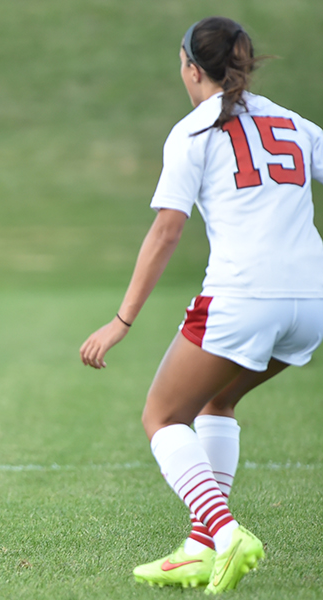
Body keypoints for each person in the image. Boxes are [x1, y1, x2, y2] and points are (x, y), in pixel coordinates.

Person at [79, 16, 323, 594]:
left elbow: (167, 231)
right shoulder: (293, 122)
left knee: (162, 416)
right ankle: (199, 548)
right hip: (313, 301)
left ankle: (225, 532)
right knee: (218, 400)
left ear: (192, 69)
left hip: (244, 298)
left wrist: (121, 321)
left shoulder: (193, 131)